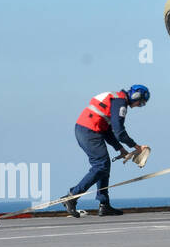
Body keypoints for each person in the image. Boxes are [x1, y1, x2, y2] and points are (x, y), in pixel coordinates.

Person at [63, 85, 149, 217]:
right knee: (101, 165)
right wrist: (136, 146)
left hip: (86, 130)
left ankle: (104, 205)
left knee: (104, 165)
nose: (139, 105)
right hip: (89, 131)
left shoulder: (117, 100)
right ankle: (72, 196)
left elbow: (107, 130)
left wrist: (120, 148)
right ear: (135, 96)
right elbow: (119, 131)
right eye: (141, 102)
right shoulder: (121, 104)